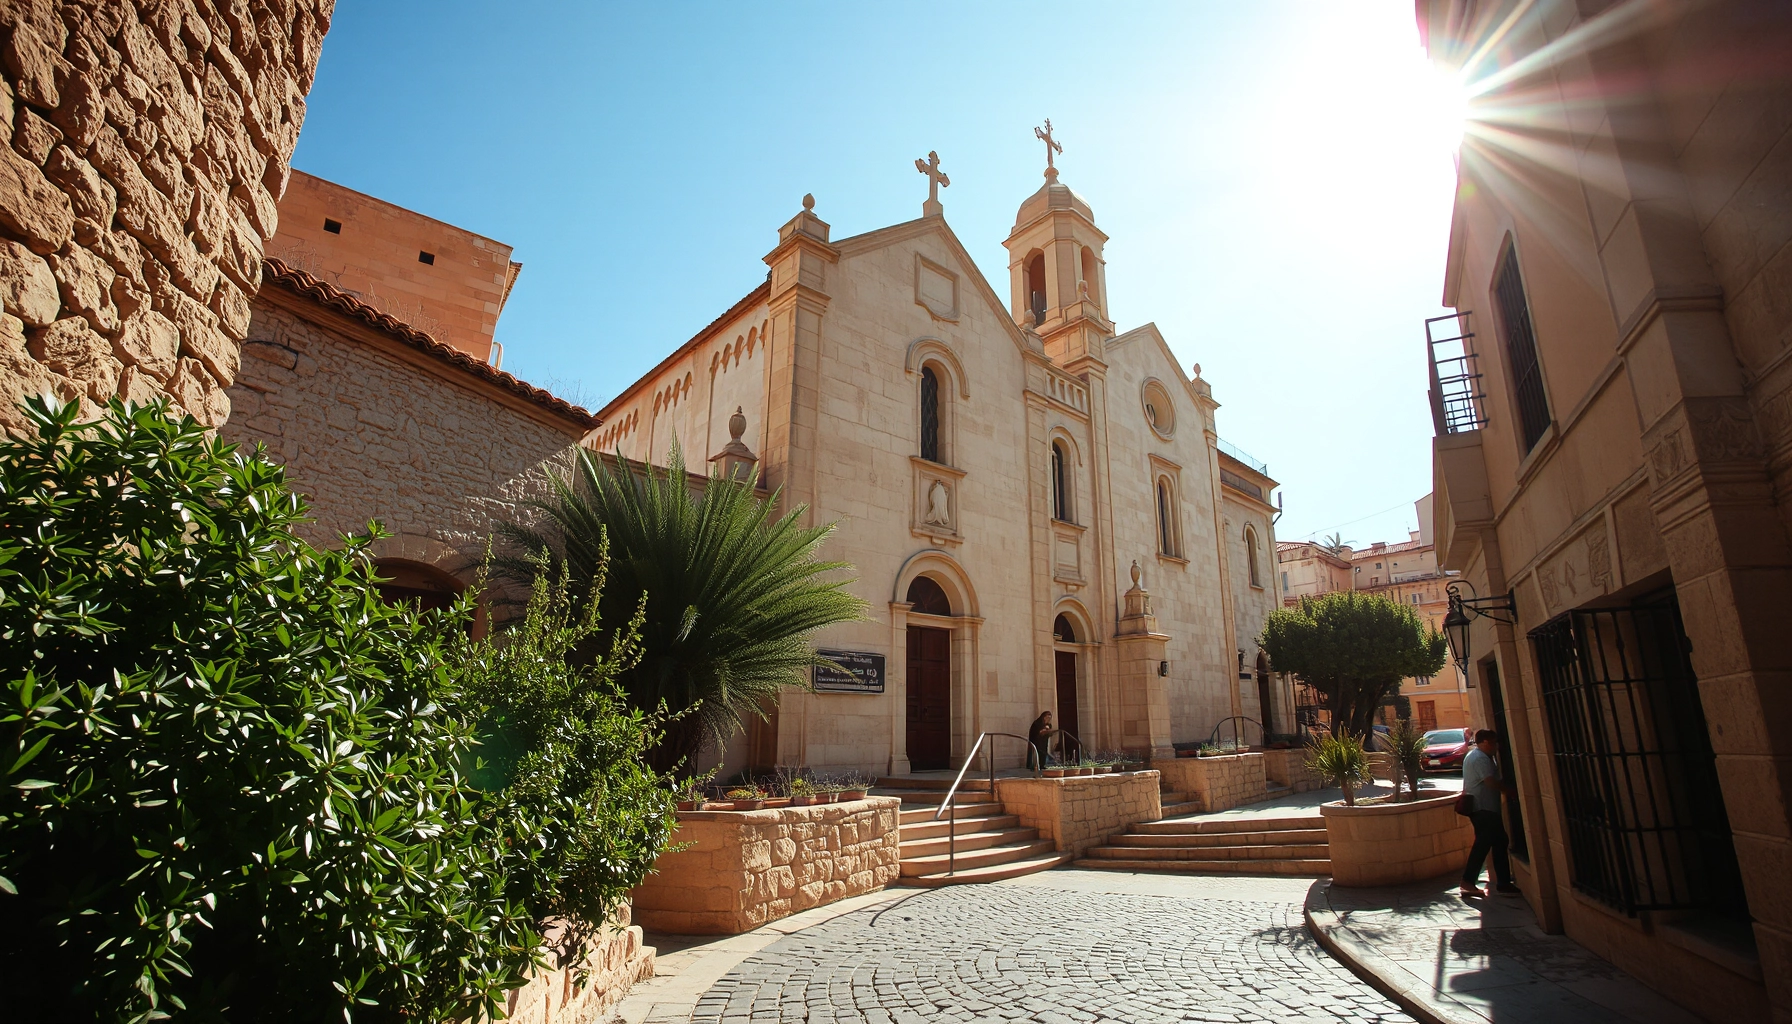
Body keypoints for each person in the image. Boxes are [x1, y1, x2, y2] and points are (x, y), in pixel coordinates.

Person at [1461, 728, 1519, 897]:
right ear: (1485, 742)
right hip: (1483, 808)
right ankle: (1468, 881)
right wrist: (1509, 791)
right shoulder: (1480, 758)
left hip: (1485, 808)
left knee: (1499, 841)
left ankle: (1503, 882)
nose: (1496, 746)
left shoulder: (1478, 756)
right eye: (1493, 742)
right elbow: (1490, 782)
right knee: (1484, 844)